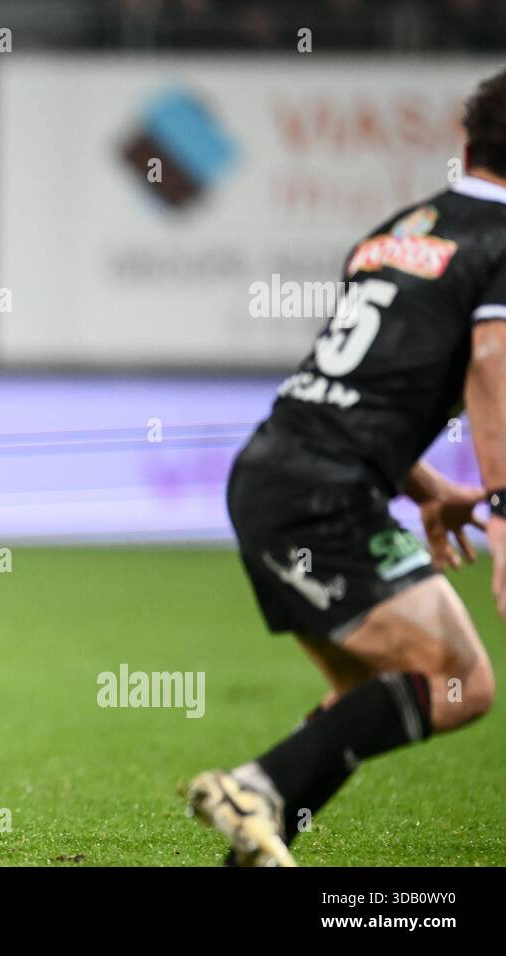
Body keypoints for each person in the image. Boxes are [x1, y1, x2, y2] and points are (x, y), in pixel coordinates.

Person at [185, 68, 506, 866]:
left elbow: (352, 385)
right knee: (463, 685)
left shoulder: (400, 228)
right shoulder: (501, 246)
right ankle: (255, 787)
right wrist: (502, 513)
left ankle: (252, 847)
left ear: (465, 144)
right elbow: (494, 369)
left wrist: (430, 489)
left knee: (365, 695)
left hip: (271, 471)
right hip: (326, 498)